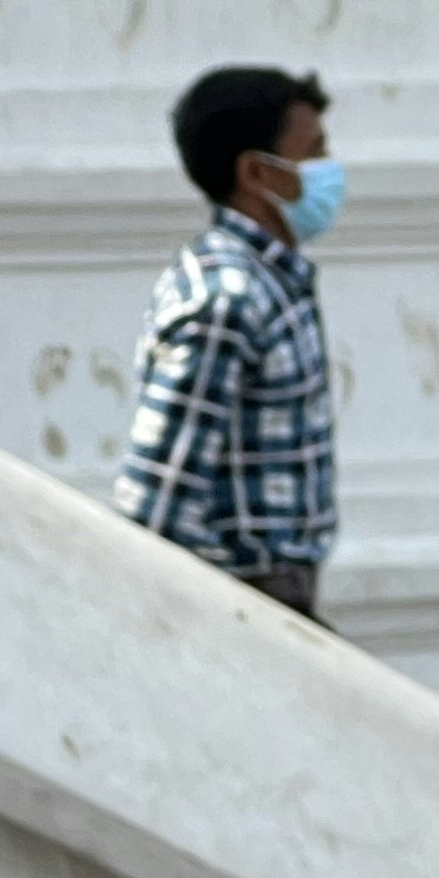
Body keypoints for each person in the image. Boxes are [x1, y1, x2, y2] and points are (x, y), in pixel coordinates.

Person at [114, 64, 340, 618]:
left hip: (277, 602)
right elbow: (157, 501)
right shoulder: (227, 299)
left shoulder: (269, 283)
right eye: (313, 152)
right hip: (242, 607)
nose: (328, 171)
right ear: (257, 173)